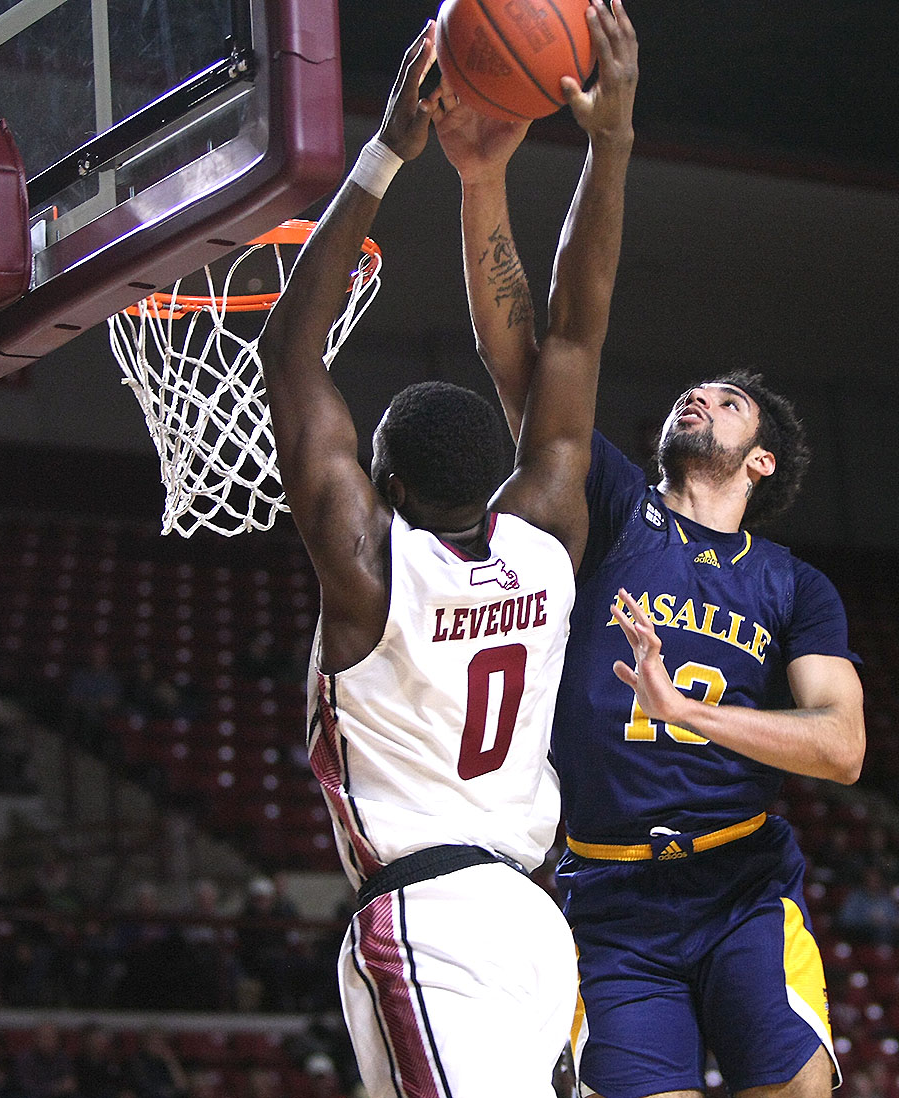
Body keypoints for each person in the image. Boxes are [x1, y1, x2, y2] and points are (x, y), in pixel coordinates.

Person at [453, 47, 865, 1098]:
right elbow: (526, 358)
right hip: (607, 898)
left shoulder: (791, 587)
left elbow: (838, 746)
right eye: (695, 392)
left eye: (728, 403)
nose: (701, 399)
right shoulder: (605, 502)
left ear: (760, 458)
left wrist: (689, 708)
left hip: (737, 881)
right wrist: (479, 179)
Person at [255, 4, 637, 1094]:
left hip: (434, 926)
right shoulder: (547, 546)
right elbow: (573, 334)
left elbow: (292, 354)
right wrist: (605, 140)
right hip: (534, 926)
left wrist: (386, 147)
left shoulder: (370, 578)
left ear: (387, 489)